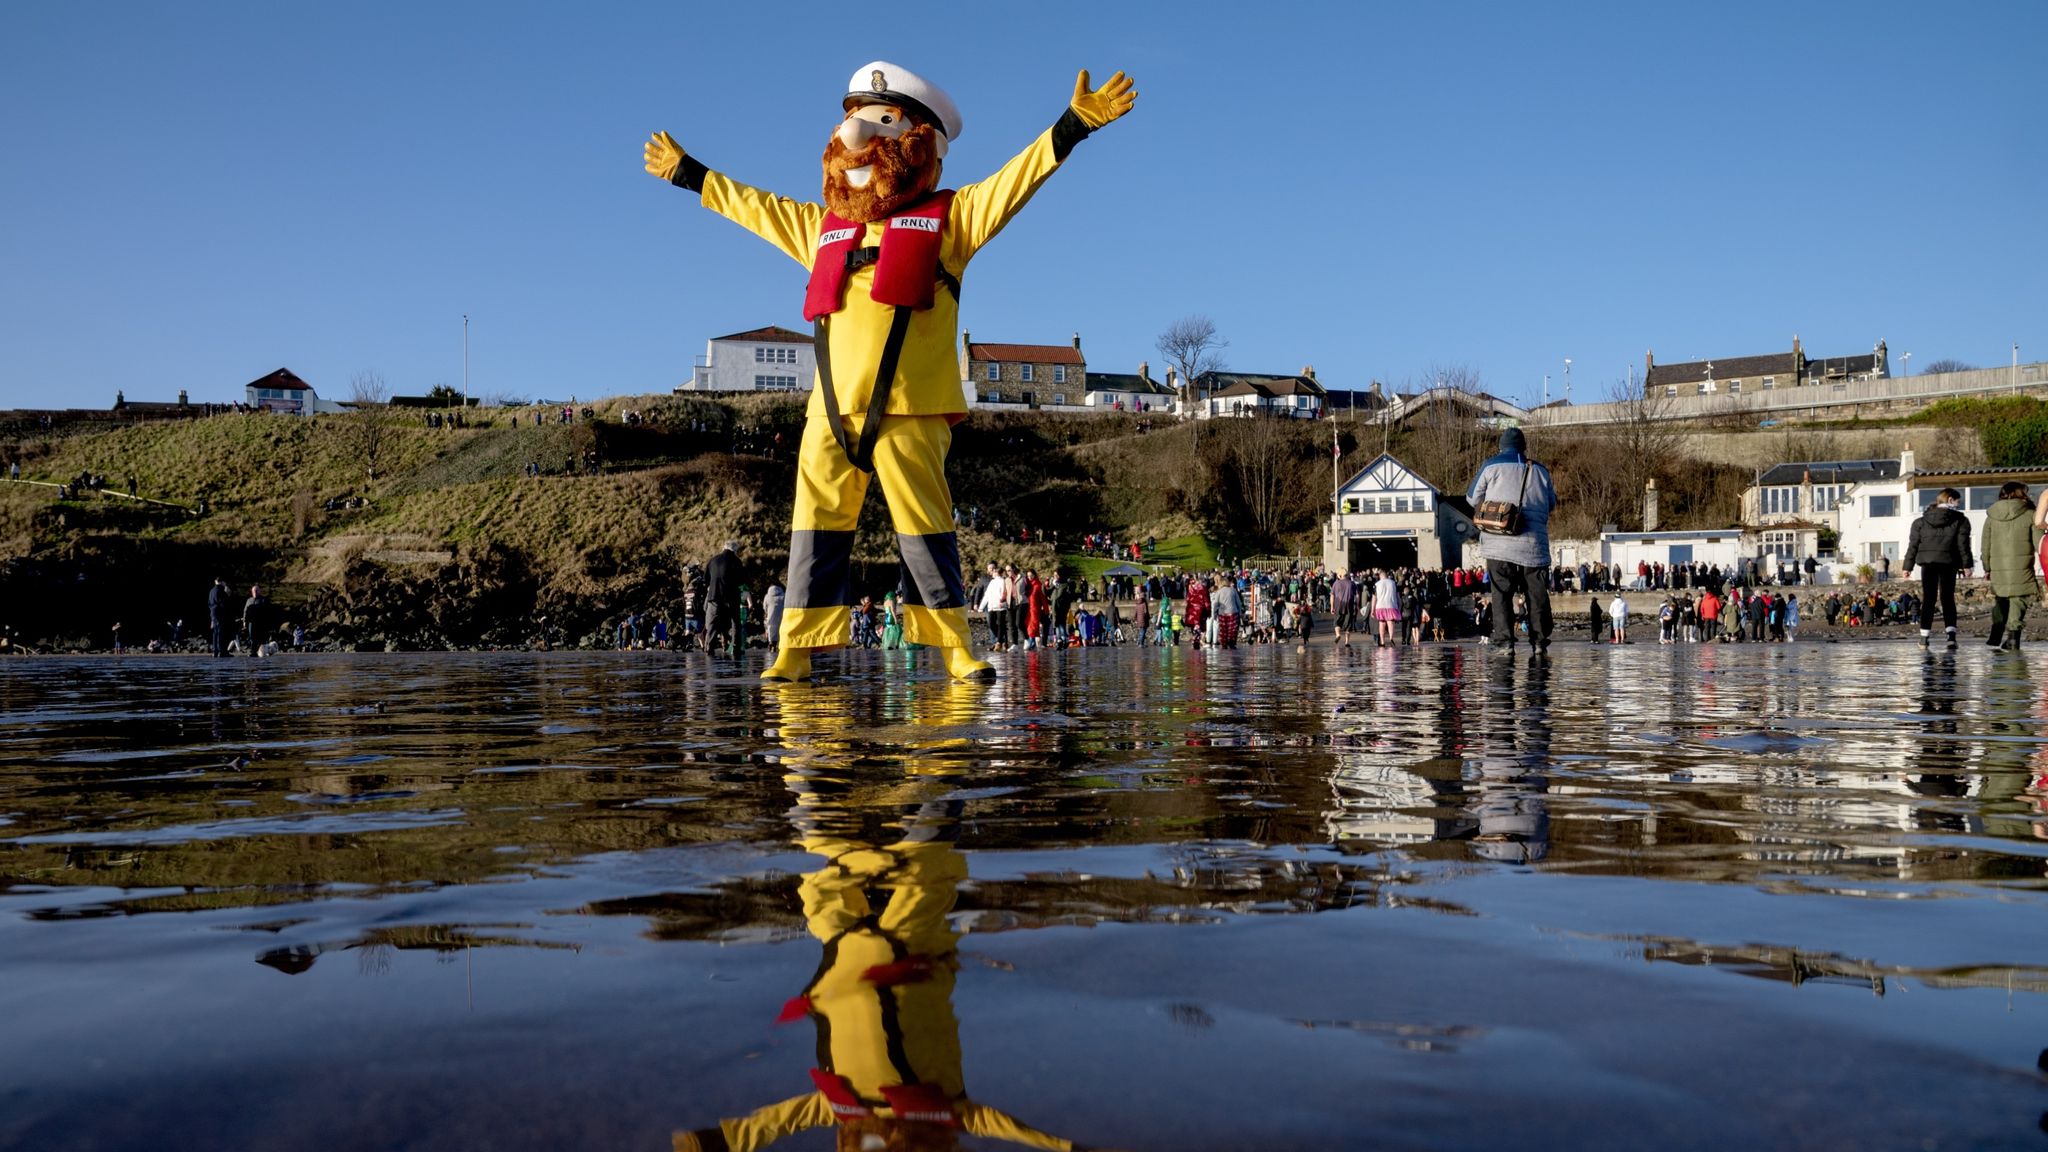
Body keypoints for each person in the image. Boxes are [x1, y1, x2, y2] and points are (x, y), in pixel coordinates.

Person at [648, 62, 1137, 682]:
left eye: (879, 126)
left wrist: (1070, 128)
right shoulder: (822, 229)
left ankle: (955, 643)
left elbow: (1011, 184)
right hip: (829, 413)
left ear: (921, 144)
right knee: (814, 529)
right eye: (853, 123)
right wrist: (692, 175)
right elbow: (757, 208)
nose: (857, 140)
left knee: (925, 527)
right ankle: (795, 646)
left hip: (909, 407)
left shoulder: (950, 223)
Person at [1465, 427, 1558, 657]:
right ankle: (1538, 641)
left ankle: (1505, 642)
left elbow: (1472, 498)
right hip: (1533, 546)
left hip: (1499, 544)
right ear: (1524, 446)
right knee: (1536, 594)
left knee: (1501, 593)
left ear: (1501, 445)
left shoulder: (1490, 466)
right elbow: (1552, 504)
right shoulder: (1540, 470)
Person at [1904, 487, 1972, 649]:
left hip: (1928, 563)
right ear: (1950, 500)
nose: (1959, 504)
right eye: (1957, 501)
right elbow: (1963, 545)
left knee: (1929, 599)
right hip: (1949, 562)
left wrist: (1908, 566)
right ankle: (1951, 637)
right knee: (1947, 598)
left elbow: (1913, 545)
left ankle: (1924, 638)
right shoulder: (1961, 520)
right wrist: (1967, 565)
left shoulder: (1920, 522)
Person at [1984, 481, 2042, 650]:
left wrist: (1987, 567)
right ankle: (2013, 638)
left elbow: (1985, 545)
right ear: (2021, 494)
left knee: (2001, 599)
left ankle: (1995, 634)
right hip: (2022, 566)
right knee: (2018, 600)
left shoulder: (1991, 517)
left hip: (1998, 566)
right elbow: (2040, 544)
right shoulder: (2031, 514)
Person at [705, 541, 742, 658]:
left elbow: (706, 579)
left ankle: (709, 647)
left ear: (723, 548)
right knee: (735, 621)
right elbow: (743, 579)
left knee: (712, 623)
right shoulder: (736, 561)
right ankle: (736, 647)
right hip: (731, 597)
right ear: (735, 551)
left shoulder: (712, 560)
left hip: (714, 596)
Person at [1372, 570, 1401, 647]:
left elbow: (1374, 598)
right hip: (1391, 605)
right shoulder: (1394, 583)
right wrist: (1399, 605)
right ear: (1387, 576)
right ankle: (1391, 638)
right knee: (1390, 622)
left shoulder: (1376, 584)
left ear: (1380, 576)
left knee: (1382, 623)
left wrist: (1372, 610)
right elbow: (1398, 596)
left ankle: (1382, 641)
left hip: (1380, 606)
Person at [241, 584, 271, 655]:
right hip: (251, 622)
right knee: (252, 637)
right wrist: (244, 621)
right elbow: (245, 611)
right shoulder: (249, 600)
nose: (255, 592)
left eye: (257, 590)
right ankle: (253, 651)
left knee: (262, 638)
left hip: (261, 622)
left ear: (259, 591)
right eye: (254, 590)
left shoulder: (263, 600)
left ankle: (262, 652)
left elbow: (267, 612)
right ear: (252, 591)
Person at [207, 577, 232, 658]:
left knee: (215, 633)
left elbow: (209, 604)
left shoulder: (211, 591)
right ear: (222, 582)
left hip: (213, 613)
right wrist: (227, 593)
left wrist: (211, 617)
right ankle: (222, 651)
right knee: (221, 633)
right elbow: (224, 603)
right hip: (220, 614)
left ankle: (215, 651)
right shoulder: (221, 590)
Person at [761, 582, 785, 650]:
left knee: (770, 628)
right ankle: (778, 644)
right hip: (781, 615)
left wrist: (766, 613)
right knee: (780, 628)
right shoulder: (783, 595)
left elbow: (764, 607)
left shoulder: (767, 596)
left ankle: (771, 643)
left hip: (770, 615)